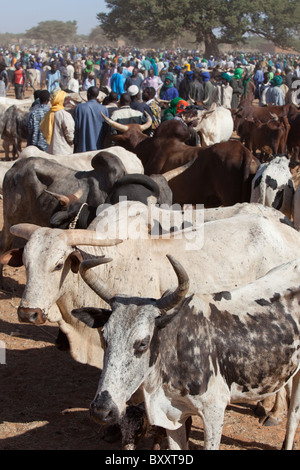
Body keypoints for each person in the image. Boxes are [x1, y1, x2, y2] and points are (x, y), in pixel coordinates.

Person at [74, 86, 109, 152]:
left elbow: (76, 129)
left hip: (82, 148)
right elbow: (105, 130)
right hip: (98, 148)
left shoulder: (79, 108)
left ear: (88, 94)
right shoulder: (104, 109)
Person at [40, 89, 74, 155]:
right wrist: (71, 142)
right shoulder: (65, 115)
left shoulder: (48, 114)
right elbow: (69, 134)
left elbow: (41, 129)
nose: (67, 101)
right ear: (61, 101)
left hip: (51, 150)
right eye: (65, 99)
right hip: (63, 150)